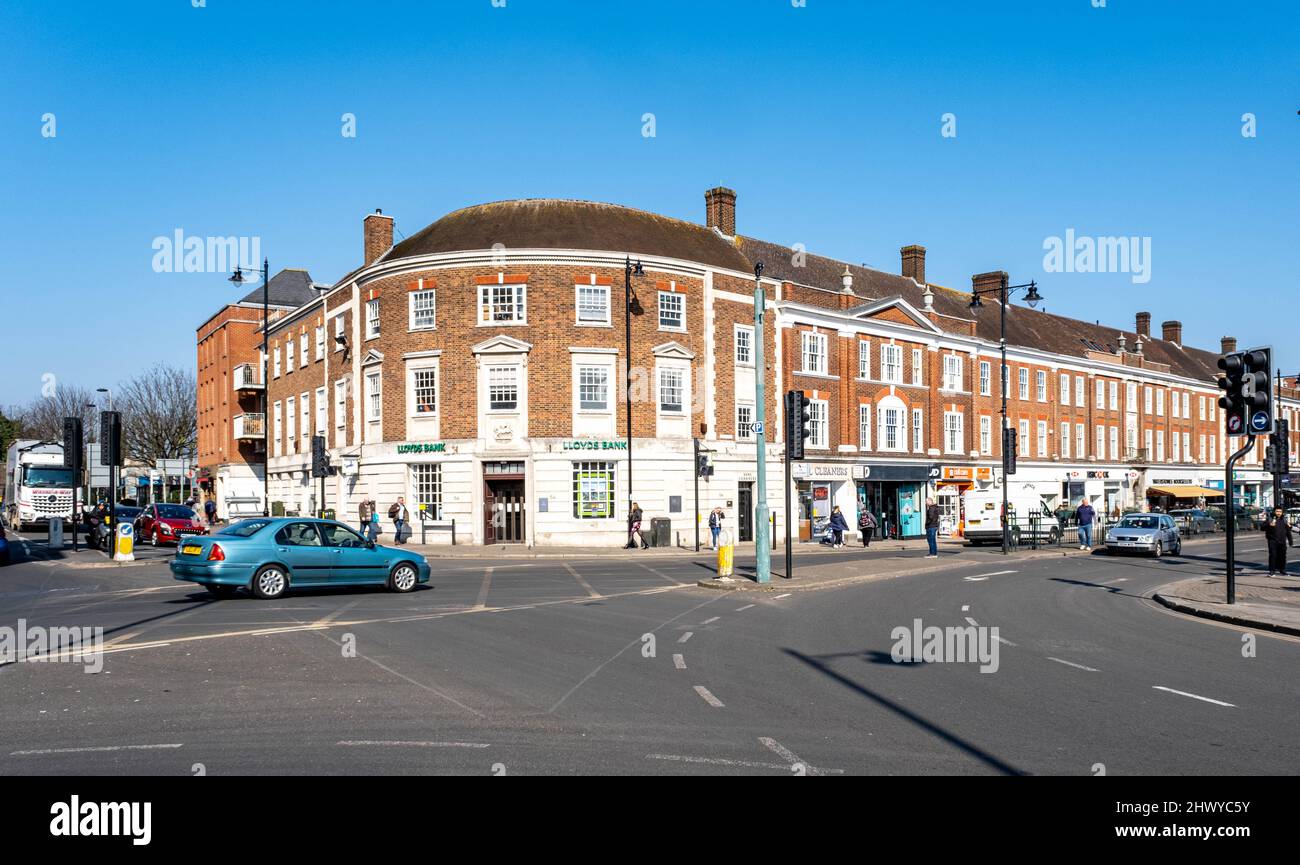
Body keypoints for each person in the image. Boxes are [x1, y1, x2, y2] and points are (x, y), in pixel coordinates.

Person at [1262, 507, 1294, 577]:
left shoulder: (1284, 520)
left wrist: (1290, 541)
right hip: (1272, 541)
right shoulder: (1270, 519)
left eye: (1280, 511)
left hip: (1282, 541)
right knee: (1273, 556)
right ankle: (1272, 571)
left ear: (1282, 512)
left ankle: (1282, 570)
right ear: (1274, 512)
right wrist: (1269, 525)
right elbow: (1262, 527)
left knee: (1282, 556)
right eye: (1277, 511)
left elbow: (1288, 531)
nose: (1279, 513)